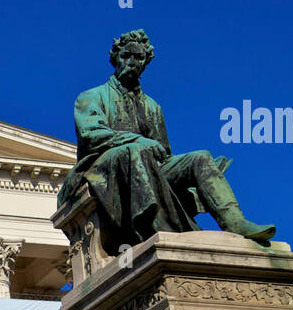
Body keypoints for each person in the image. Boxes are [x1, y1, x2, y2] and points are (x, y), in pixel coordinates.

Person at [59, 29, 275, 247]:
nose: (132, 62)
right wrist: (136, 140)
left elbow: (163, 153)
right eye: (126, 56)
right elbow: (91, 135)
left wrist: (191, 179)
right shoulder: (92, 96)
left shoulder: (153, 107)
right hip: (102, 168)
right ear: (115, 58)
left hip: (146, 165)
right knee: (137, 152)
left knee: (200, 157)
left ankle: (234, 221)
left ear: (145, 63)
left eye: (138, 58)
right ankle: (151, 228)